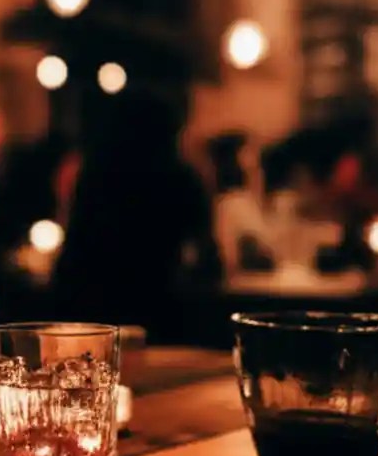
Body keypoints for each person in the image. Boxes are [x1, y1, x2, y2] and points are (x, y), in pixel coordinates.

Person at [53, 89, 218, 335]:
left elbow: (72, 252)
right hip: (159, 311)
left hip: (90, 309)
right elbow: (209, 259)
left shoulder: (95, 175)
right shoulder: (181, 179)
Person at [206, 132, 271, 275]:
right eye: (249, 150)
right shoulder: (232, 204)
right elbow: (229, 258)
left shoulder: (250, 201)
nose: (256, 157)